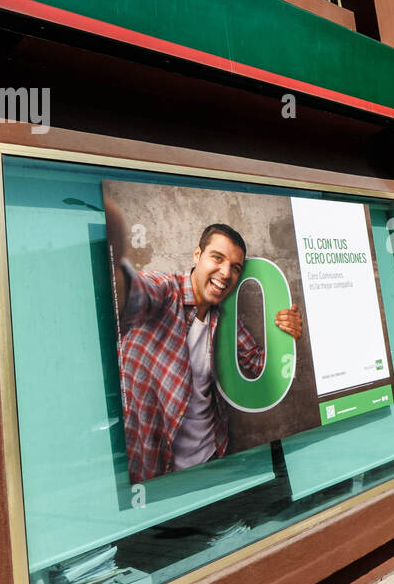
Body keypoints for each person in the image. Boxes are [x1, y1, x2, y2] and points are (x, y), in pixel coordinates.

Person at [105, 196, 304, 484]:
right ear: (197, 255)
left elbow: (260, 362)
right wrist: (114, 250)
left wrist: (287, 330)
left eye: (235, 267)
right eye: (217, 258)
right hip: (156, 471)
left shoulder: (224, 320)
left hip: (212, 459)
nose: (226, 273)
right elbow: (128, 294)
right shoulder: (165, 291)